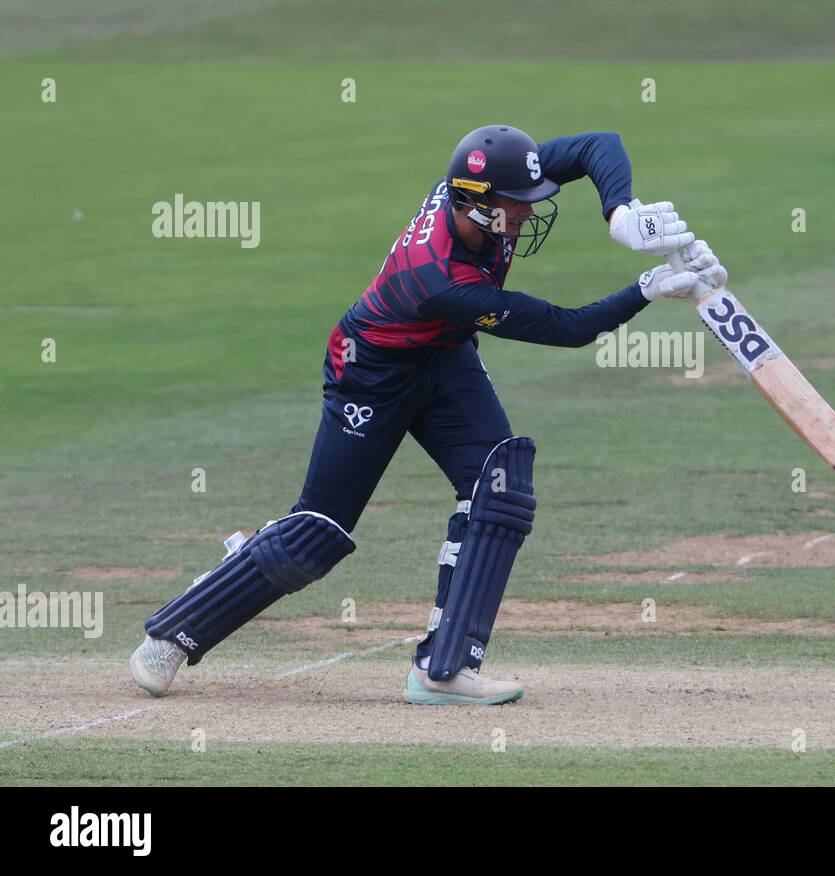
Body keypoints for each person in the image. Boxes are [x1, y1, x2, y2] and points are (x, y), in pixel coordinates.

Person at [128, 125, 726, 705]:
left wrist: (620, 215)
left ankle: (444, 669)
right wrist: (647, 287)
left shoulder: (485, 187)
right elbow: (566, 329)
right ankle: (173, 632)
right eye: (516, 207)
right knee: (318, 534)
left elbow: (601, 144)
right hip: (373, 372)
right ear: (476, 203)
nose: (527, 215)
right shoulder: (440, 277)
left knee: (500, 487)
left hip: (444, 355)